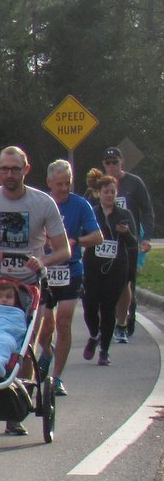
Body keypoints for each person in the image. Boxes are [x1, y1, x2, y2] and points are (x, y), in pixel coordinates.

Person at [35, 160, 101, 395]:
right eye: (59, 184)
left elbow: (97, 236)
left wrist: (76, 241)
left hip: (70, 270)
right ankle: (48, 351)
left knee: (63, 321)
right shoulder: (40, 202)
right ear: (49, 183)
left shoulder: (80, 205)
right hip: (43, 270)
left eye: (67, 183)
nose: (63, 189)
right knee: (41, 326)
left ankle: (57, 377)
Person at [0, 146, 71, 287]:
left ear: (26, 169)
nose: (9, 174)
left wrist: (43, 261)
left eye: (15, 169)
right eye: (5, 169)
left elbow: (64, 251)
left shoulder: (44, 202)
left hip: (32, 281)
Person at [83, 173, 146, 366]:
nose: (109, 195)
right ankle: (94, 335)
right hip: (93, 266)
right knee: (90, 306)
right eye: (106, 192)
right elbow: (82, 236)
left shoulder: (124, 215)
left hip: (116, 266)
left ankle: (104, 351)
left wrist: (125, 234)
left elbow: (133, 243)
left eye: (112, 192)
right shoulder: (92, 213)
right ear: (98, 193)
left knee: (108, 308)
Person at [100, 147, 152, 342]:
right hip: (106, 242)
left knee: (128, 282)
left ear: (121, 162)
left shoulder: (134, 183)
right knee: (107, 284)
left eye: (115, 162)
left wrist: (146, 237)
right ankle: (112, 321)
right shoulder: (101, 184)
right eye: (108, 162)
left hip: (129, 240)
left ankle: (128, 318)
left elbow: (147, 210)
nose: (112, 165)